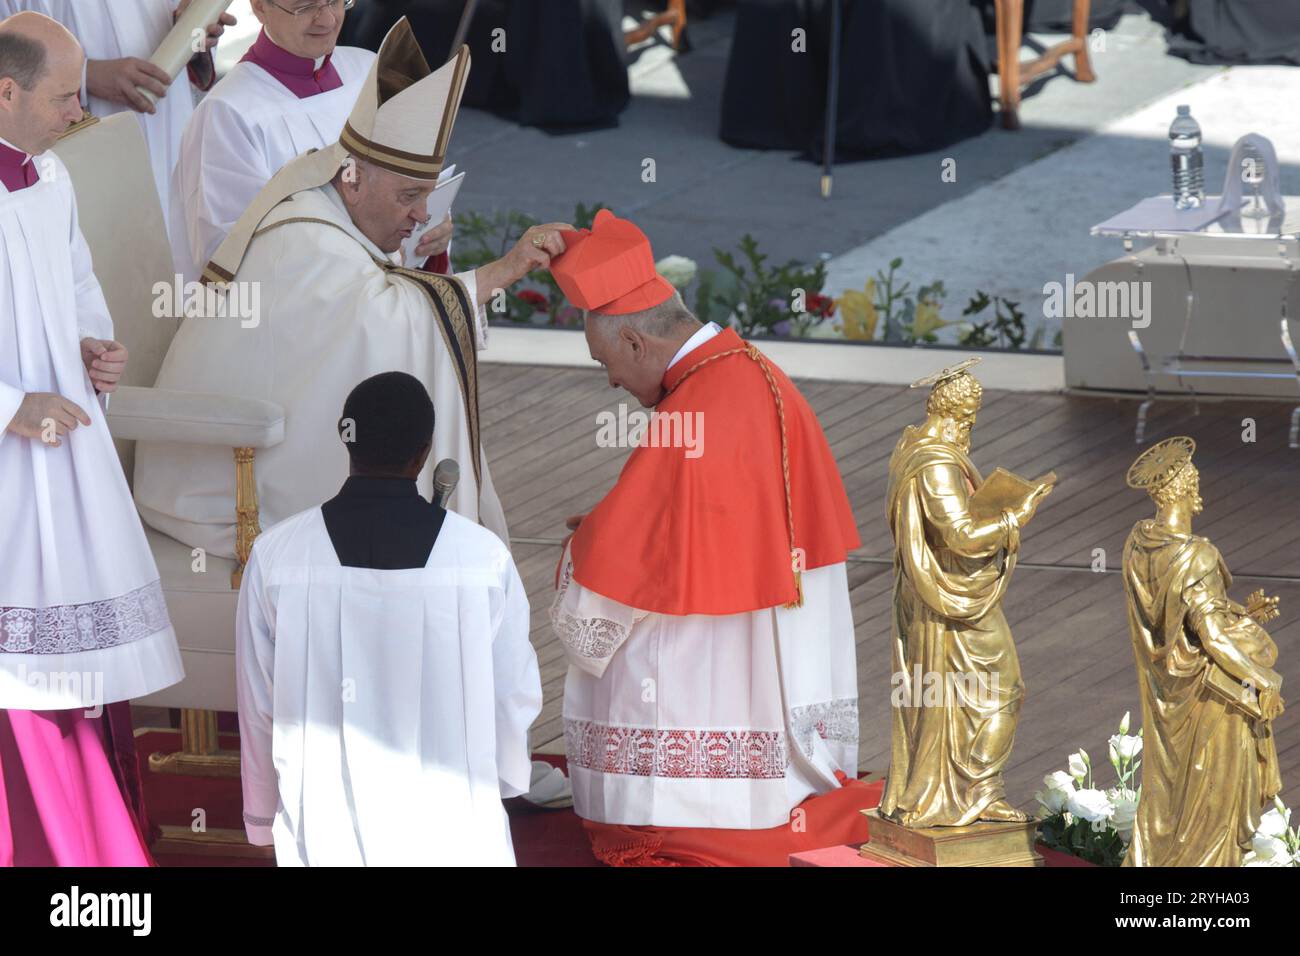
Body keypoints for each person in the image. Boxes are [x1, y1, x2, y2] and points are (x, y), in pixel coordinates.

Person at [135, 18, 560, 558]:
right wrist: (506, 269)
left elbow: (372, 300)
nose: (420, 212)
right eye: (410, 195)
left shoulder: (331, 198)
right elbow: (378, 315)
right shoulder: (300, 236)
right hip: (225, 463)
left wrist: (417, 237)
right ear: (352, 180)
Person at [546, 209, 870, 866]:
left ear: (635, 341)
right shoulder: (750, 371)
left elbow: (620, 566)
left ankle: (683, 807)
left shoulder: (695, 406)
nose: (609, 380)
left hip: (711, 675)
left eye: (604, 360)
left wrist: (581, 550)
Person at [0, 11, 183, 866]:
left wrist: (90, 348)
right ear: (5, 91)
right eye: (66, 95)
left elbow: (73, 282)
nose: (80, 112)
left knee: (72, 648)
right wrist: (9, 406)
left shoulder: (49, 178)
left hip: (61, 446)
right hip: (8, 454)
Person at [235, 371, 541, 865]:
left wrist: (262, 814)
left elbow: (258, 702)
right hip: (454, 820)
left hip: (323, 822)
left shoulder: (277, 556)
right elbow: (512, 693)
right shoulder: (482, 557)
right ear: (424, 453)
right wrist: (500, 781)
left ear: (345, 438)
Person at [879, 360, 1050, 827]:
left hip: (930, 593)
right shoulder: (935, 463)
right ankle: (975, 791)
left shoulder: (909, 445)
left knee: (953, 695)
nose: (970, 430)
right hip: (951, 601)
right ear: (960, 415)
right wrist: (1017, 515)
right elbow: (960, 536)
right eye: (971, 421)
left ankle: (963, 790)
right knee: (1003, 689)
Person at [170, 0, 452, 282]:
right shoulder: (229, 113)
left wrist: (431, 233)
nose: (327, 20)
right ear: (259, 7)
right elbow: (232, 254)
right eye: (304, 7)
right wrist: (369, 264)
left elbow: (414, 182)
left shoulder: (369, 69)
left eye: (336, 1)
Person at [1121, 437, 1284, 867]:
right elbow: (1210, 639)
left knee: (1173, 789)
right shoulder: (1198, 556)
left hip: (1166, 693)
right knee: (1213, 795)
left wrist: (1238, 614)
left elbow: (1176, 626)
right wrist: (1260, 677)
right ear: (1184, 490)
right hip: (1211, 701)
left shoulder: (1138, 544)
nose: (1199, 489)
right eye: (1194, 481)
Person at [0, 0, 236, 228]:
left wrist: (191, 39)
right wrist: (85, 77)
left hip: (169, 120)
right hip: (73, 137)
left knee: (177, 233)